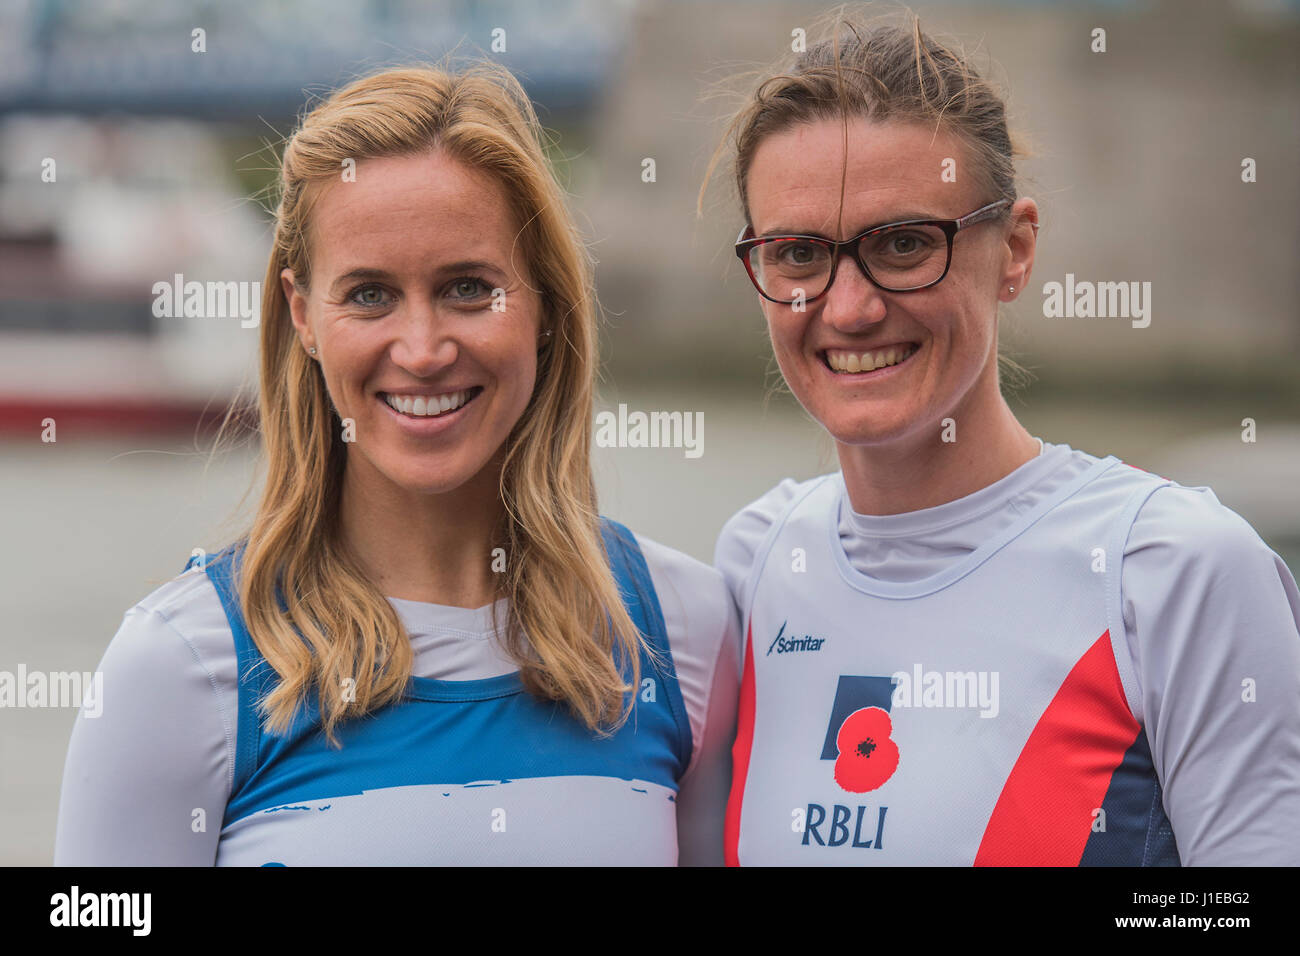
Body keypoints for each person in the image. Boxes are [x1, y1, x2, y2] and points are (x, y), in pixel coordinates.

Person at [54, 61, 738, 865]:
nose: (422, 350)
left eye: (468, 289)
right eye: (370, 295)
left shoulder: (682, 628)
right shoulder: (177, 664)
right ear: (303, 315)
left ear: (547, 305)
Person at [704, 10, 1300, 865]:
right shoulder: (756, 560)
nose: (848, 308)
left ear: (1015, 249)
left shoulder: (1175, 570)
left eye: (904, 244)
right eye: (798, 255)